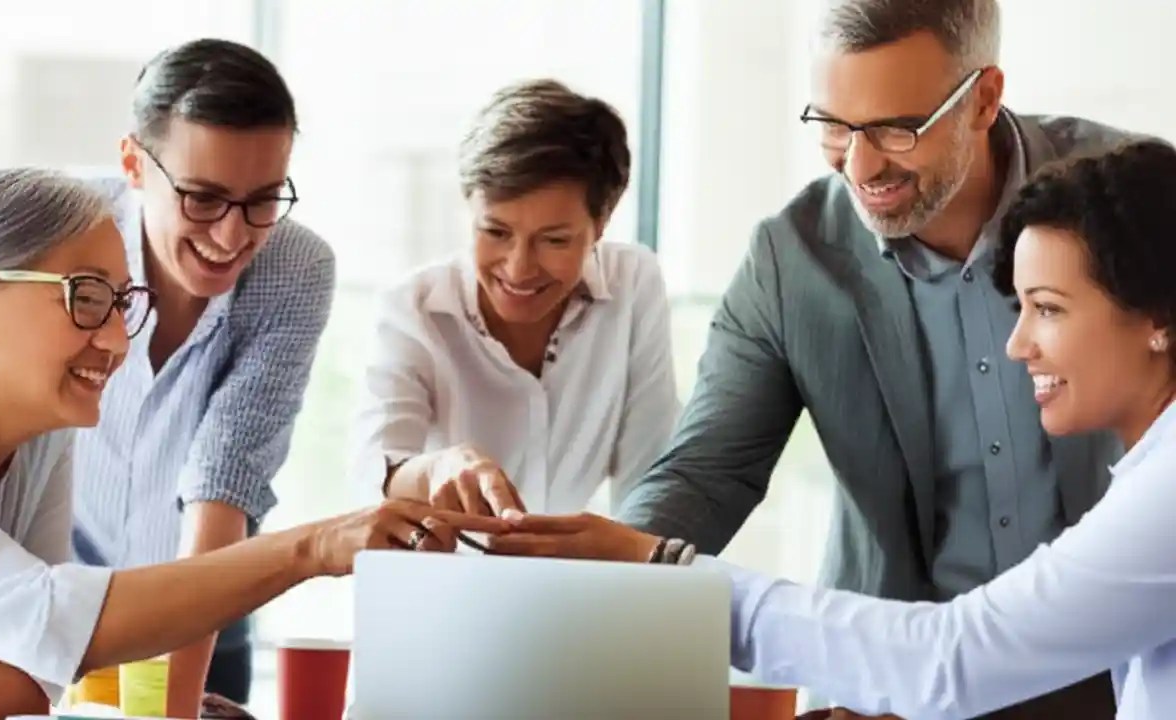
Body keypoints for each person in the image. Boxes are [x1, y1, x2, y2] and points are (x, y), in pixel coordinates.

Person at [480, 1, 1138, 717]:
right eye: (833, 124)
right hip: (883, 689)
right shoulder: (791, 260)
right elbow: (706, 473)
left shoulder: (1127, 204)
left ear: (983, 99)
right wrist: (592, 586)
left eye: (896, 127)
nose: (859, 165)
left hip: (1113, 675)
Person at [0, 167, 499, 720]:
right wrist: (312, 547)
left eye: (122, 303)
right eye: (85, 297)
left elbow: (38, 671)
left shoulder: (40, 436)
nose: (115, 340)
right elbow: (55, 620)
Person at [71, 39, 332, 713]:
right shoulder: (63, 236)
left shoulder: (295, 268)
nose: (231, 235)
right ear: (134, 163)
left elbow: (228, 467)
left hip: (203, 619)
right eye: (202, 198)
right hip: (60, 607)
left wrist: (174, 707)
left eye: (264, 199)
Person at [354, 79, 678, 516]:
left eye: (555, 240)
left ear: (601, 224)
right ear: (469, 207)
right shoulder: (414, 308)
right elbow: (376, 474)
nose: (519, 268)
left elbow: (649, 471)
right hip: (444, 570)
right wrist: (437, 470)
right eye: (496, 232)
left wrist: (634, 570)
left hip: (576, 574)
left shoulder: (634, 283)